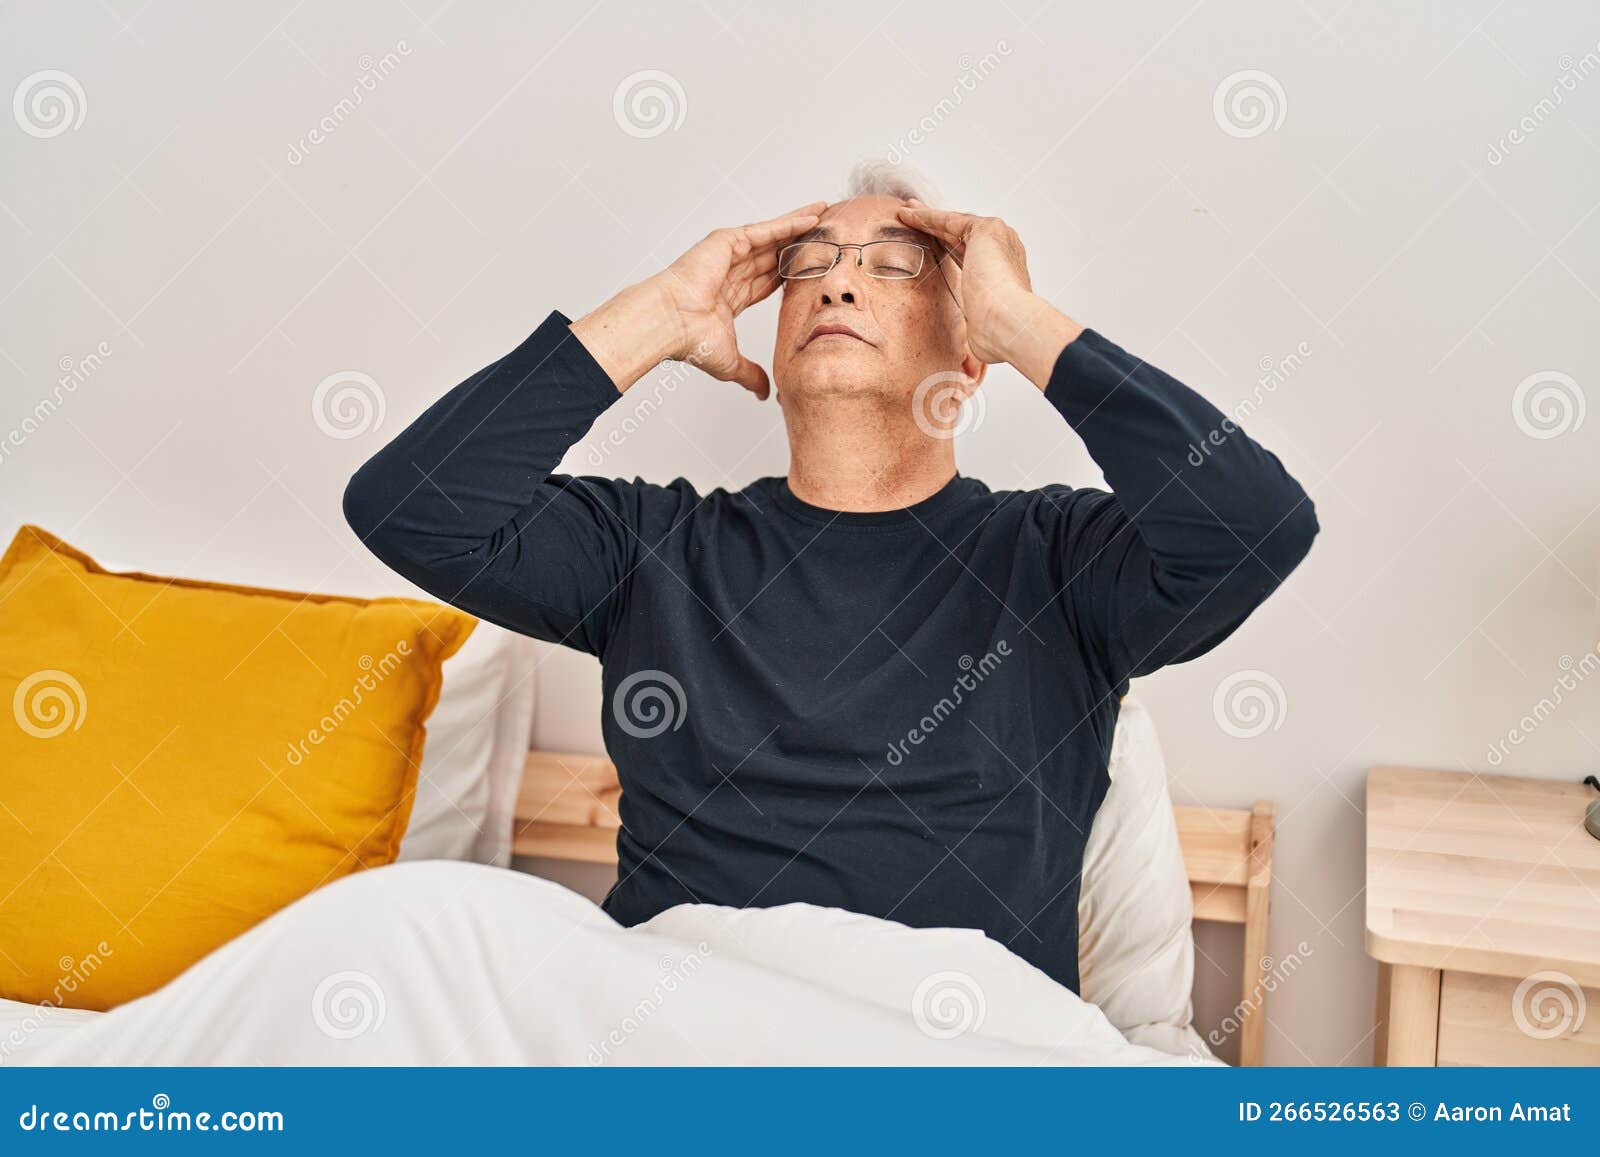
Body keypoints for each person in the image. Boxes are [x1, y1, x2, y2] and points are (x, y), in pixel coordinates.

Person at [343, 164, 1318, 993]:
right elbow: (411, 508)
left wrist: (1020, 320)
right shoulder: (654, 549)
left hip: (945, 1058)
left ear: (968, 354)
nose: (839, 285)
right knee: (379, 935)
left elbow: (1255, 525)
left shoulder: (1054, 560)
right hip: (674, 1044)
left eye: (893, 265)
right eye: (809, 265)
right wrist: (661, 312)